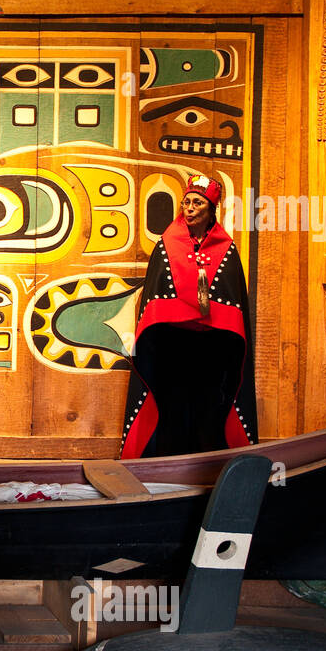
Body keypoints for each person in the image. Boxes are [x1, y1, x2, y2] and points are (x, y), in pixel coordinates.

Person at [120, 174, 257, 458]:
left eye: (198, 203)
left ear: (211, 211)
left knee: (209, 408)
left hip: (211, 350)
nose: (190, 208)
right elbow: (154, 303)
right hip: (172, 347)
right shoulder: (166, 245)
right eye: (186, 202)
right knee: (171, 407)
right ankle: (165, 466)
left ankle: (208, 467)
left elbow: (233, 306)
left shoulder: (227, 250)